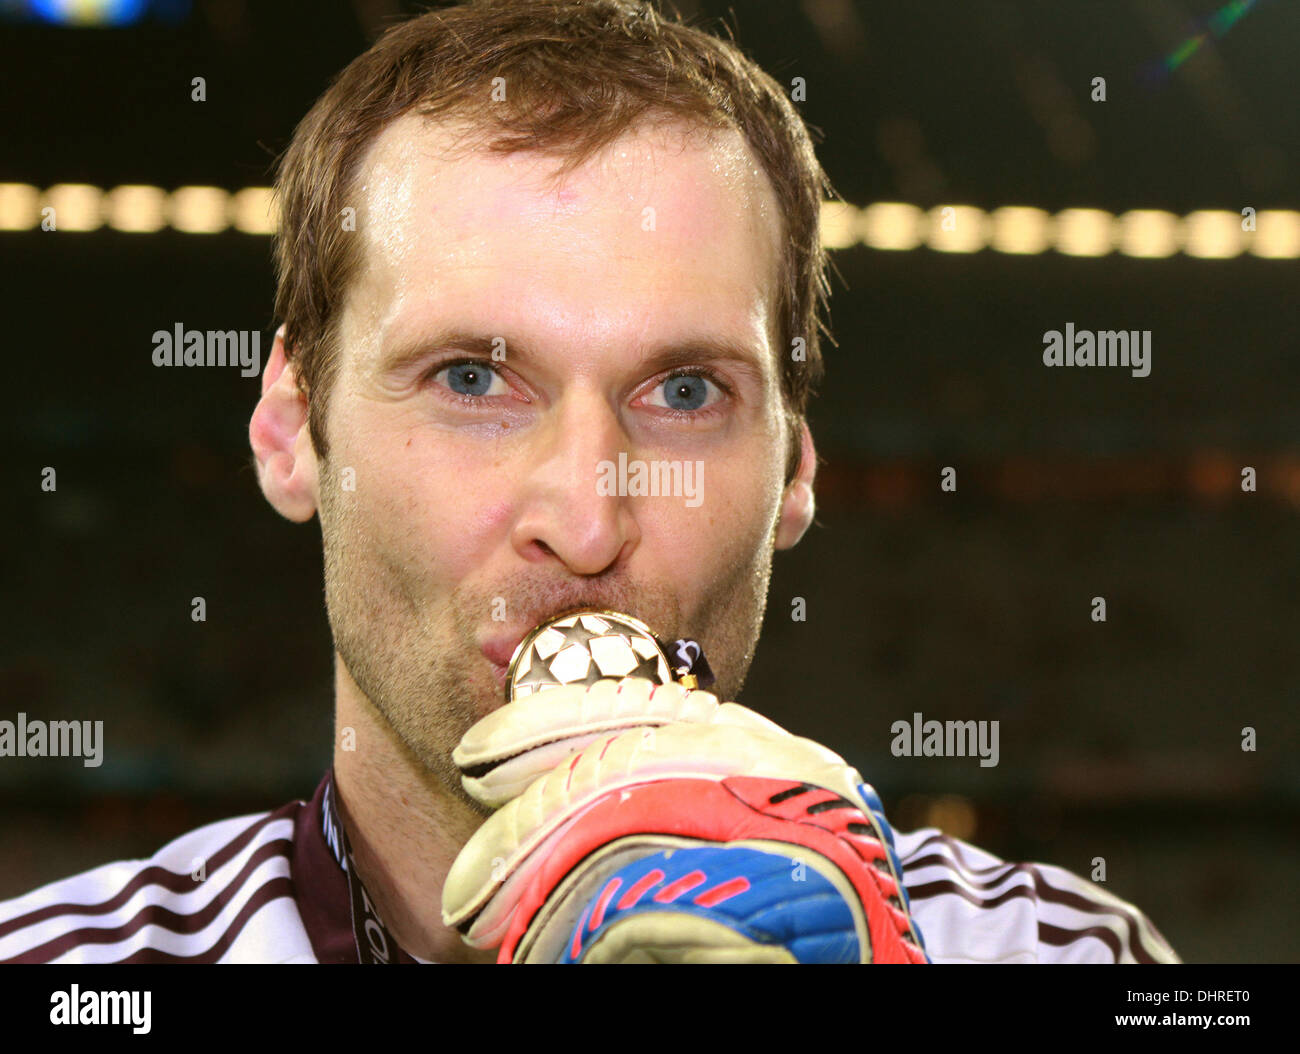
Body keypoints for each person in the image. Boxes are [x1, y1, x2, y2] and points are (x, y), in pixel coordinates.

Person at [0, 0, 1177, 964]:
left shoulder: (1055, 953)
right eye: (471, 377)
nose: (583, 517)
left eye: (682, 393)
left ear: (796, 468)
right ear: (291, 426)